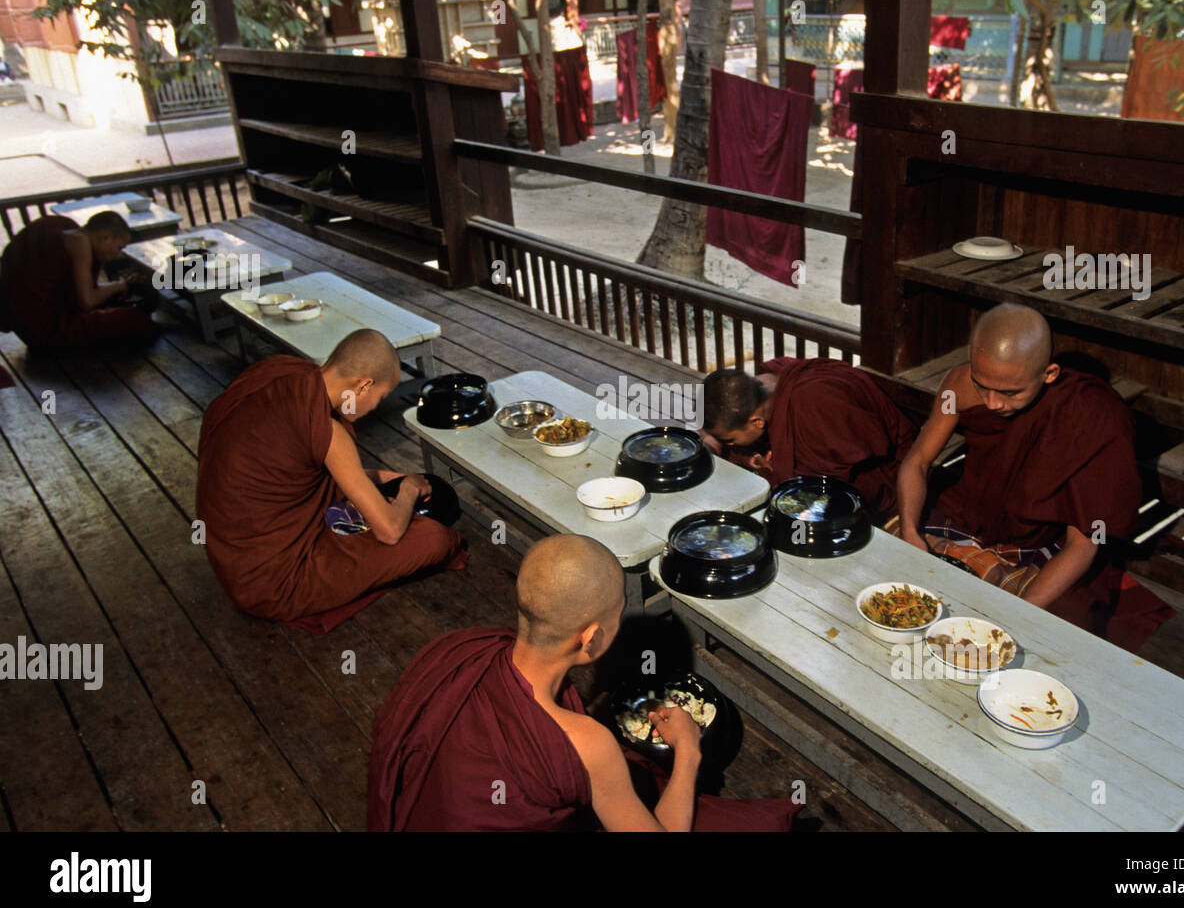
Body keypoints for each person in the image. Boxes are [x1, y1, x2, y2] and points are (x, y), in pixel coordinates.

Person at [367, 535, 801, 831]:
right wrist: (688, 751)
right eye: (615, 621)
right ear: (591, 638)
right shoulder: (589, 745)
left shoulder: (455, 649)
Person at [894, 303, 1170, 650]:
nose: (993, 404)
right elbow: (918, 460)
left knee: (1060, 631)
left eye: (1010, 393)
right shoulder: (959, 385)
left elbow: (1084, 541)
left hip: (1039, 539)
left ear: (1049, 374)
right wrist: (908, 532)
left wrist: (1017, 617)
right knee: (887, 565)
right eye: (983, 387)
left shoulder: (1095, 418)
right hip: (967, 515)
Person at [196, 329, 467, 627]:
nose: (375, 408)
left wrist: (396, 476)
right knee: (434, 540)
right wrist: (409, 490)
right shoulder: (328, 431)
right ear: (362, 387)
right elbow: (389, 531)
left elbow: (308, 471)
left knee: (368, 501)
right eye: (380, 397)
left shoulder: (282, 371)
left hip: (231, 556)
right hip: (273, 582)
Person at [701, 357, 918, 516]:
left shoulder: (815, 403)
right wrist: (712, 443)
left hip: (890, 475)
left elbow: (827, 488)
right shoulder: (766, 384)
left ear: (757, 421)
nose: (727, 444)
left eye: (729, 439)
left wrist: (773, 472)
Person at [0, 211, 160, 348]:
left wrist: (119, 286)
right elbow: (87, 301)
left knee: (116, 303)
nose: (118, 255)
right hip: (47, 330)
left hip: (24, 325)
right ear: (106, 238)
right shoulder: (80, 242)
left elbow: (75, 289)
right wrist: (120, 285)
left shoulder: (64, 228)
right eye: (119, 247)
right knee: (134, 319)